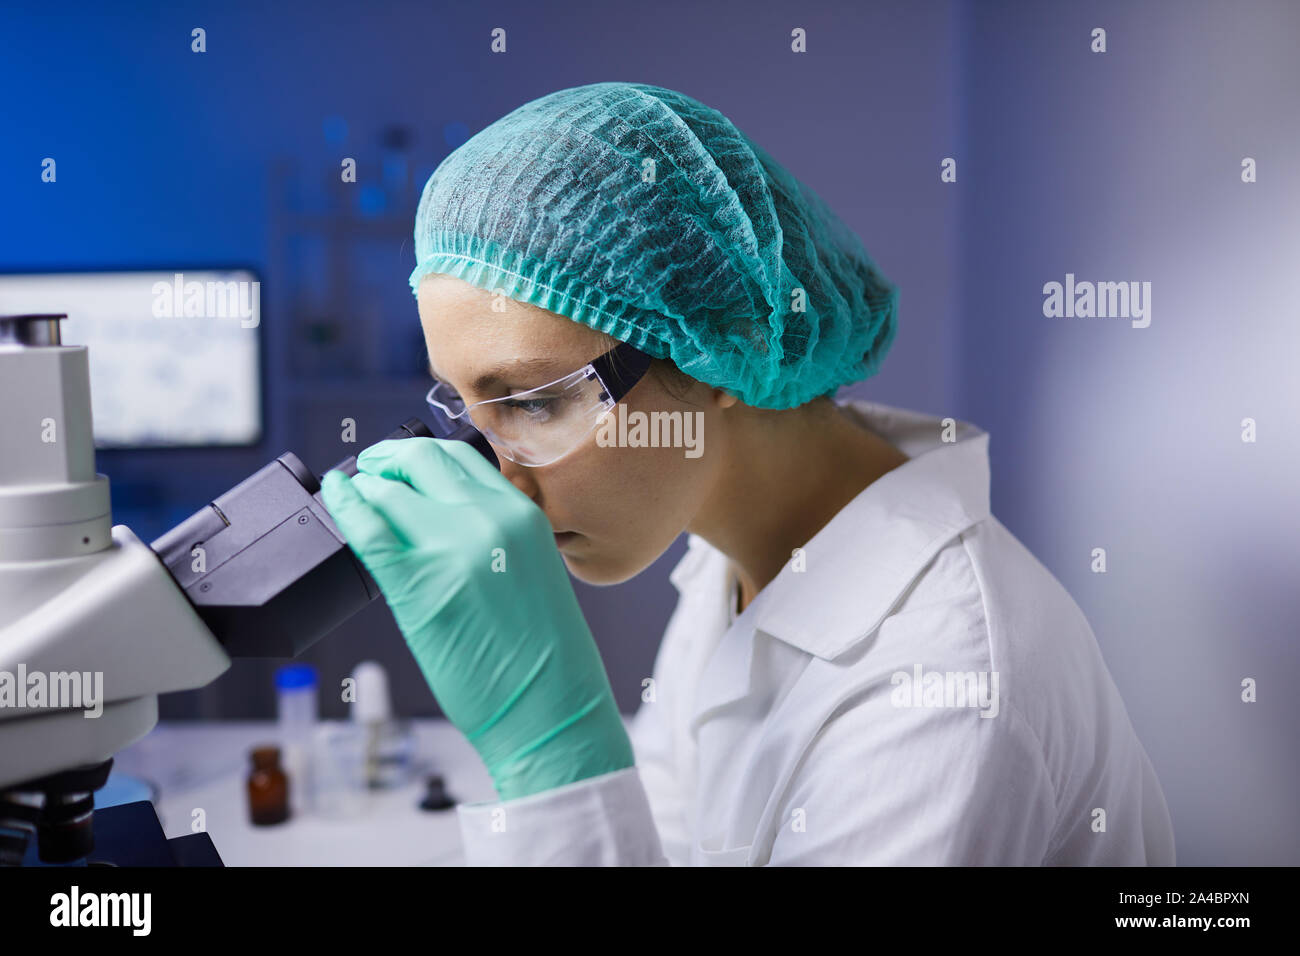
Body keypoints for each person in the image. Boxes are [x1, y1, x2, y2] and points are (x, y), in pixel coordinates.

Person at [320, 82, 1175, 866]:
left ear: (721, 344)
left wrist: (551, 755)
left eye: (535, 402)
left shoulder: (942, 688)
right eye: (467, 406)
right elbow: (674, 834)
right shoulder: (738, 552)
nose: (499, 480)